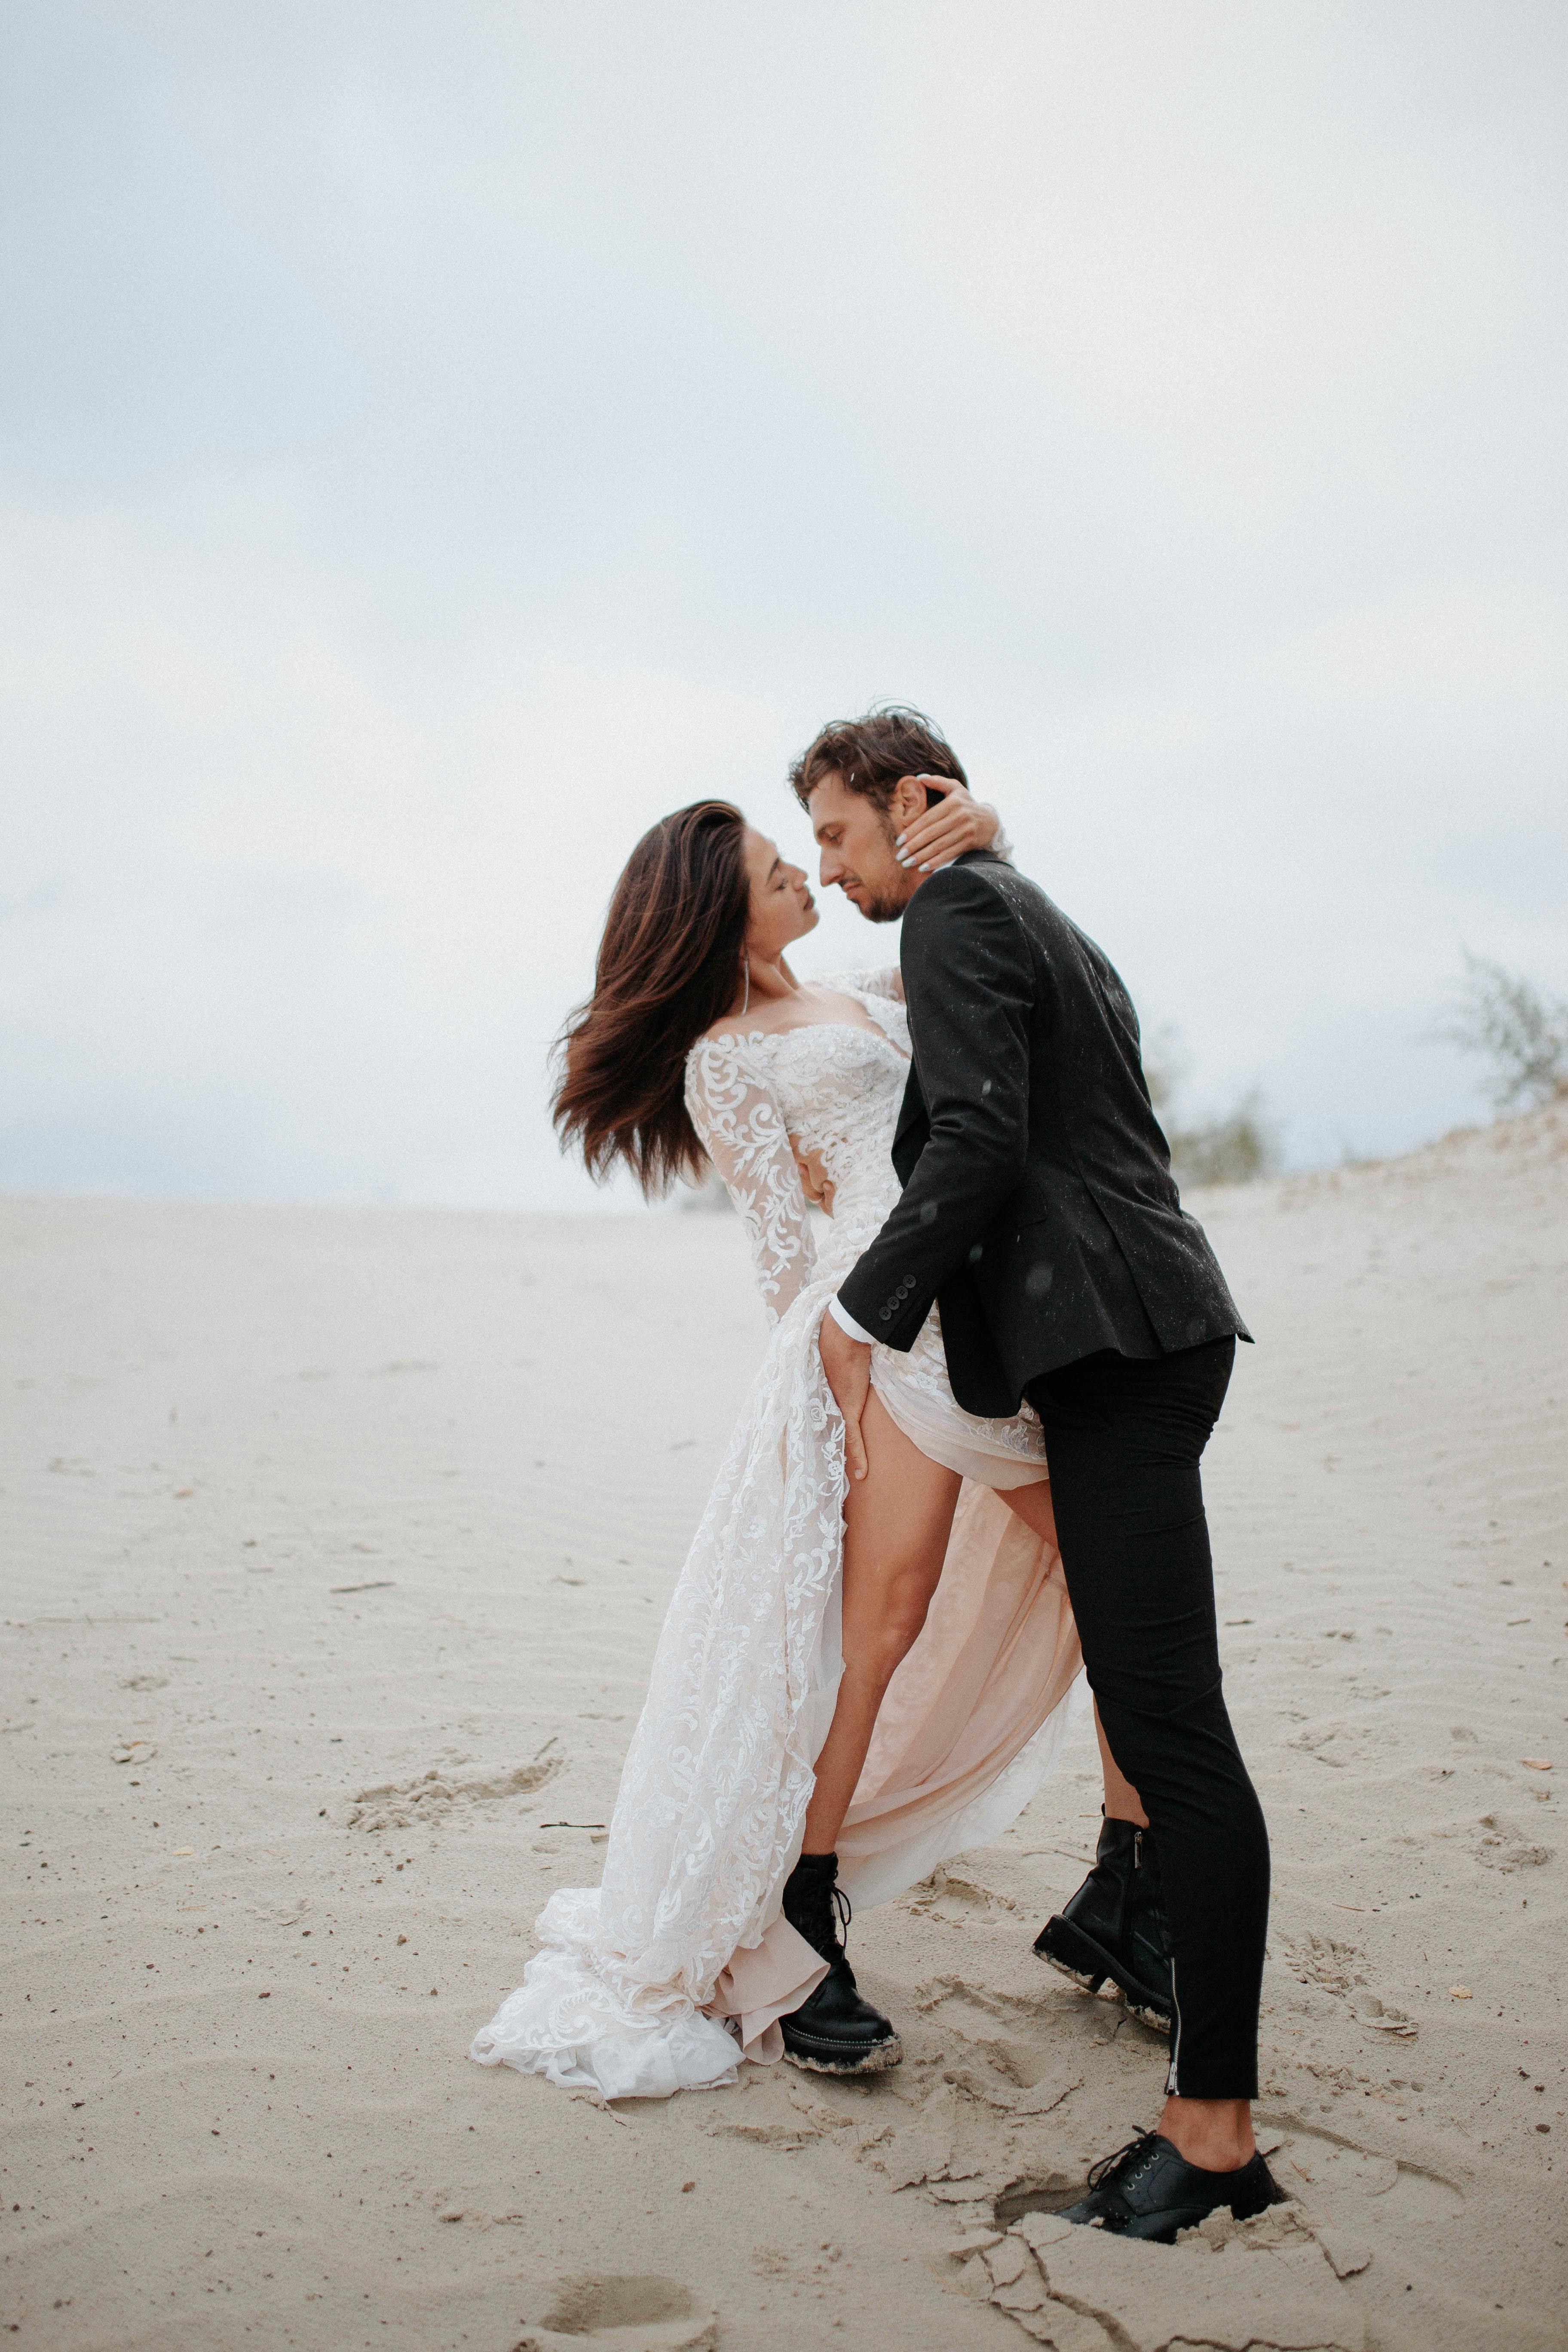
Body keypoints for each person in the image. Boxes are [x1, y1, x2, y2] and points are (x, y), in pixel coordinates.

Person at [469, 779, 1162, 2101]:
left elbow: (1018, 1032)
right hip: (882, 1336)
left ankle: (1126, 1883)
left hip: (971, 1313)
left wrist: (989, 839)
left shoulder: (871, 986)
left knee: (1100, 1578)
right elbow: (783, 1251)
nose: (804, 876)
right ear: (716, 908)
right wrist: (832, 1382)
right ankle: (809, 1905)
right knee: (882, 1619)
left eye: (805, 855)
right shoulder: (725, 1057)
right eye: (779, 865)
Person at [799, 706, 1282, 2243]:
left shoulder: (955, 901)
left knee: (1174, 1737)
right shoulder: (1027, 907)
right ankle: (1136, 1939)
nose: (830, 864)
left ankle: (1211, 2135)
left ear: (916, 803)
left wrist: (859, 1314)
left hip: (1118, 1351)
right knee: (1165, 1719)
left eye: (835, 831)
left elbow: (985, 1145)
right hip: (1147, 1334)